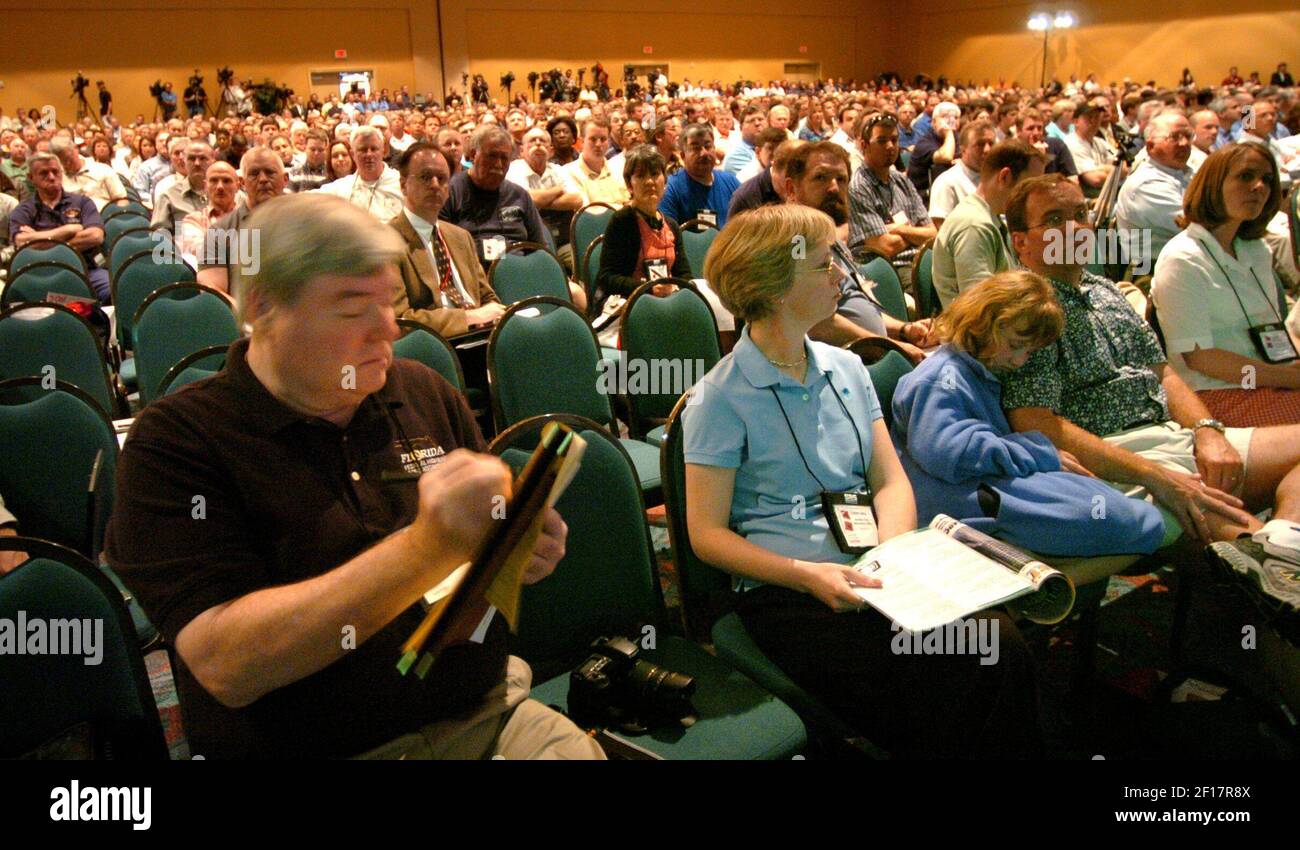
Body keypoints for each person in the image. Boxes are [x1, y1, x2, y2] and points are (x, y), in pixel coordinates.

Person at [105, 192, 602, 760]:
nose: (387, 328)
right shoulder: (177, 443)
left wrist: (514, 547)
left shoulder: (422, 391)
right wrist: (425, 548)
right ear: (263, 308)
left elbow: (476, 570)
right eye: (351, 309)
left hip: (483, 712)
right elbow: (226, 665)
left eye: (388, 302)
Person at [683, 204, 1040, 758]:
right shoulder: (719, 398)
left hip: (875, 570)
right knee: (963, 664)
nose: (842, 276)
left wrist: (892, 557)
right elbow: (706, 536)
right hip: (789, 590)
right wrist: (807, 575)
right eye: (824, 265)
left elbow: (889, 481)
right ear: (775, 287)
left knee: (996, 640)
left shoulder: (846, 367)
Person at [1000, 173, 1300, 559]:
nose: (1075, 229)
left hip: (1172, 435)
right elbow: (1034, 420)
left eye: (1080, 214)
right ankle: (1270, 558)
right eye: (1055, 220)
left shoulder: (1105, 290)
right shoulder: (1025, 309)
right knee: (1262, 554)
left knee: (1276, 550)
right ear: (1020, 241)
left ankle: (1282, 538)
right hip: (1114, 459)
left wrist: (1207, 431)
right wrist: (1155, 475)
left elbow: (1164, 373)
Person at [893, 270, 1164, 554]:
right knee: (1107, 516)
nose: (1020, 360)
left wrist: (1037, 455)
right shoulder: (940, 377)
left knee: (1102, 500)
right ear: (982, 322)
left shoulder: (979, 371)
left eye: (1029, 352)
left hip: (982, 484)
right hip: (954, 500)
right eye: (1015, 346)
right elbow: (946, 453)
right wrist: (1037, 452)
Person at [1151, 143, 1298, 427]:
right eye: (1245, 176)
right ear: (1214, 185)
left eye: (1267, 180)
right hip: (1214, 395)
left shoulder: (1256, 249)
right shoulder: (1183, 258)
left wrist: (1287, 374)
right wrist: (1287, 378)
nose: (1259, 187)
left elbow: (1271, 329)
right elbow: (1200, 359)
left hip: (1270, 380)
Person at [390, 142, 506, 337]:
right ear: (403, 185)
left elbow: (487, 296)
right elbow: (400, 320)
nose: (435, 185)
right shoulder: (386, 243)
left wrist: (492, 314)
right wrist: (468, 318)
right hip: (435, 344)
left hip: (481, 336)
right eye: (425, 177)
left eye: (442, 178)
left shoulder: (460, 236)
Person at [932, 138, 1046, 309]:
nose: (1034, 196)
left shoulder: (991, 217)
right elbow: (981, 308)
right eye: (1030, 185)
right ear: (1005, 177)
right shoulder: (973, 226)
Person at [594, 146, 692, 319]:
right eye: (641, 176)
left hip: (669, 303)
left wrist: (673, 286)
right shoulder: (621, 221)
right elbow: (607, 277)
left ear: (665, 181)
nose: (649, 182)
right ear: (629, 185)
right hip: (632, 306)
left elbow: (685, 275)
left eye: (655, 174)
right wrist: (647, 288)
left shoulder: (671, 225)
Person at [442, 126, 552, 268]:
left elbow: (540, 249)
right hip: (470, 271)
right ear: (473, 154)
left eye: (504, 158)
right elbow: (442, 249)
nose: (498, 164)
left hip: (520, 271)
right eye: (492, 156)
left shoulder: (519, 195)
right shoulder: (450, 192)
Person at [8, 152, 110, 302]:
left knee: (112, 290)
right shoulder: (24, 210)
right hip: (42, 275)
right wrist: (68, 230)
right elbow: (22, 242)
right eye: (44, 173)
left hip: (85, 270)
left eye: (55, 172)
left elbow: (95, 236)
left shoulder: (82, 202)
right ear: (31, 178)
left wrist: (39, 239)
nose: (51, 177)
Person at [196, 147, 288, 297]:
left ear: (285, 179)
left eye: (270, 172)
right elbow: (213, 292)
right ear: (242, 183)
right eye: (254, 174)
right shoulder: (219, 232)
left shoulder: (307, 223)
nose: (263, 179)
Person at [847, 114, 935, 264]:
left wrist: (898, 229)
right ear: (864, 145)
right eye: (882, 141)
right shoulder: (858, 187)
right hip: (892, 268)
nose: (890, 146)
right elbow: (885, 247)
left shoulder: (902, 180)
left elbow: (932, 233)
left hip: (920, 260)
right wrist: (915, 234)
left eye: (894, 140)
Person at [1114, 112, 1196, 272]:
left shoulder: (1184, 172)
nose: (1184, 143)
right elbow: (1201, 228)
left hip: (1186, 264)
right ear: (1150, 146)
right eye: (1174, 137)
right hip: (1154, 272)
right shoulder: (1147, 184)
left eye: (1188, 136)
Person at [505, 126, 583, 271]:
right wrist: (557, 190)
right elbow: (525, 199)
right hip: (529, 244)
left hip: (563, 242)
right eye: (532, 141)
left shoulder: (558, 170)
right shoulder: (514, 169)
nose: (538, 144)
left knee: (582, 265)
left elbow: (576, 199)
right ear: (521, 151)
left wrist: (539, 201)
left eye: (542, 141)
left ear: (551, 150)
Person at [657, 124, 741, 229]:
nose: (703, 153)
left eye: (708, 146)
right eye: (696, 148)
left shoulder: (731, 182)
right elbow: (668, 234)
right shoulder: (670, 189)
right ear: (683, 155)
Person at [317, 126, 403, 220]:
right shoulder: (341, 187)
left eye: (374, 149)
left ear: (383, 151)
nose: (369, 154)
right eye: (363, 150)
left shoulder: (400, 183)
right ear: (352, 154)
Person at [927, 120, 995, 228]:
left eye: (991, 144)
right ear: (963, 149)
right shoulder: (946, 182)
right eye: (980, 144)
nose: (987, 149)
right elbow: (941, 229)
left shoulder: (996, 179)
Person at [561, 118, 629, 208]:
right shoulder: (568, 172)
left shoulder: (618, 168)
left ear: (608, 142)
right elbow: (588, 211)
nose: (598, 144)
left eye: (603, 139)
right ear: (582, 141)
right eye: (593, 139)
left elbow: (629, 202)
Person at [151, 140, 212, 230]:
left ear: (213, 161)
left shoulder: (227, 194)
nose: (197, 163)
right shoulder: (168, 196)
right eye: (191, 159)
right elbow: (158, 235)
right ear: (185, 161)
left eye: (202, 158)